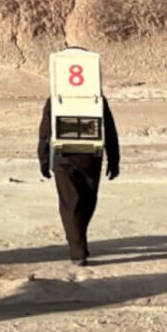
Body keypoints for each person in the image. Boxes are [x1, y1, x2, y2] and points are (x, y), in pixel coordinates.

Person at [36, 95, 119, 265]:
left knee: (73, 205)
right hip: (89, 157)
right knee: (83, 202)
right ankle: (78, 249)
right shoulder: (96, 98)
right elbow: (109, 130)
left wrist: (44, 160)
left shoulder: (56, 99)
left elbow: (45, 132)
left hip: (67, 158)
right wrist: (114, 159)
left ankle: (76, 241)